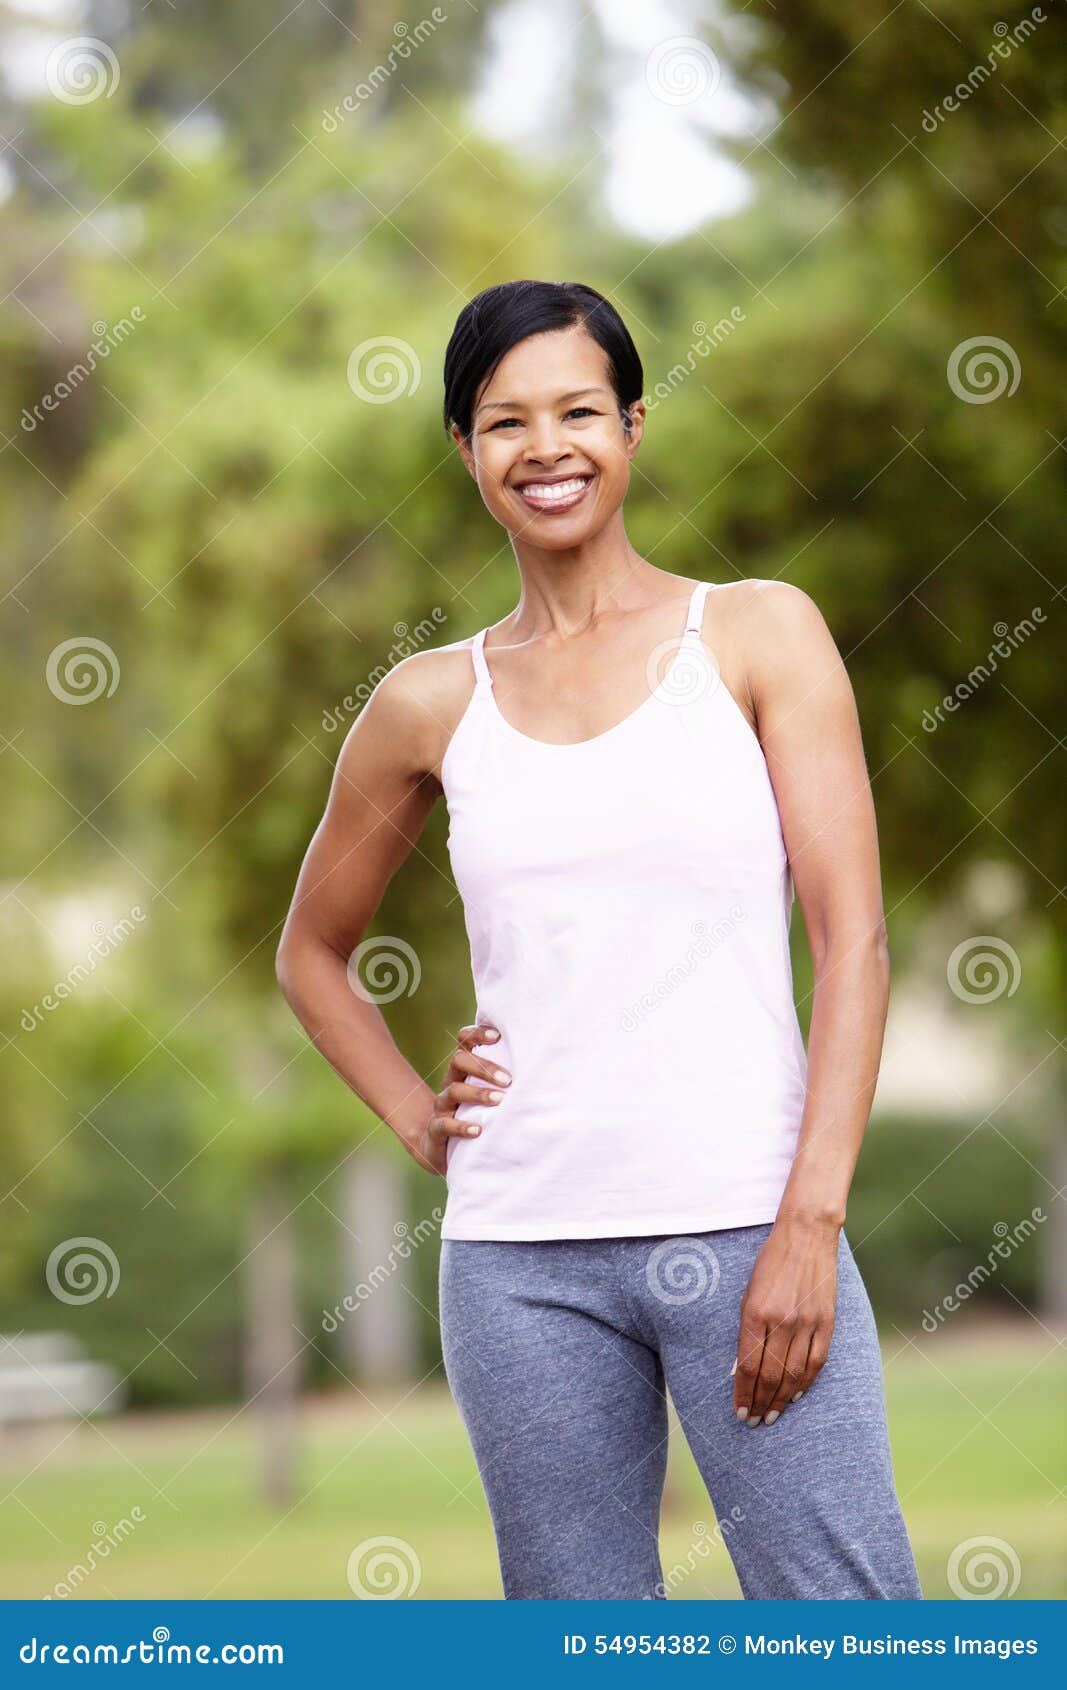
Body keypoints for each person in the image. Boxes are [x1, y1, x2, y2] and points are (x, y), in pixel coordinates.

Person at [275, 278, 923, 1602]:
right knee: (577, 1653)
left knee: (848, 1628)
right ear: (466, 452)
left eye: (579, 409)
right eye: (506, 421)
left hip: (753, 1223)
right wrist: (418, 1117)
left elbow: (852, 937)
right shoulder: (425, 702)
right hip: (517, 1260)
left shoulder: (755, 632)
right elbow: (310, 951)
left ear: (633, 425)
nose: (547, 445)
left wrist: (810, 1220)